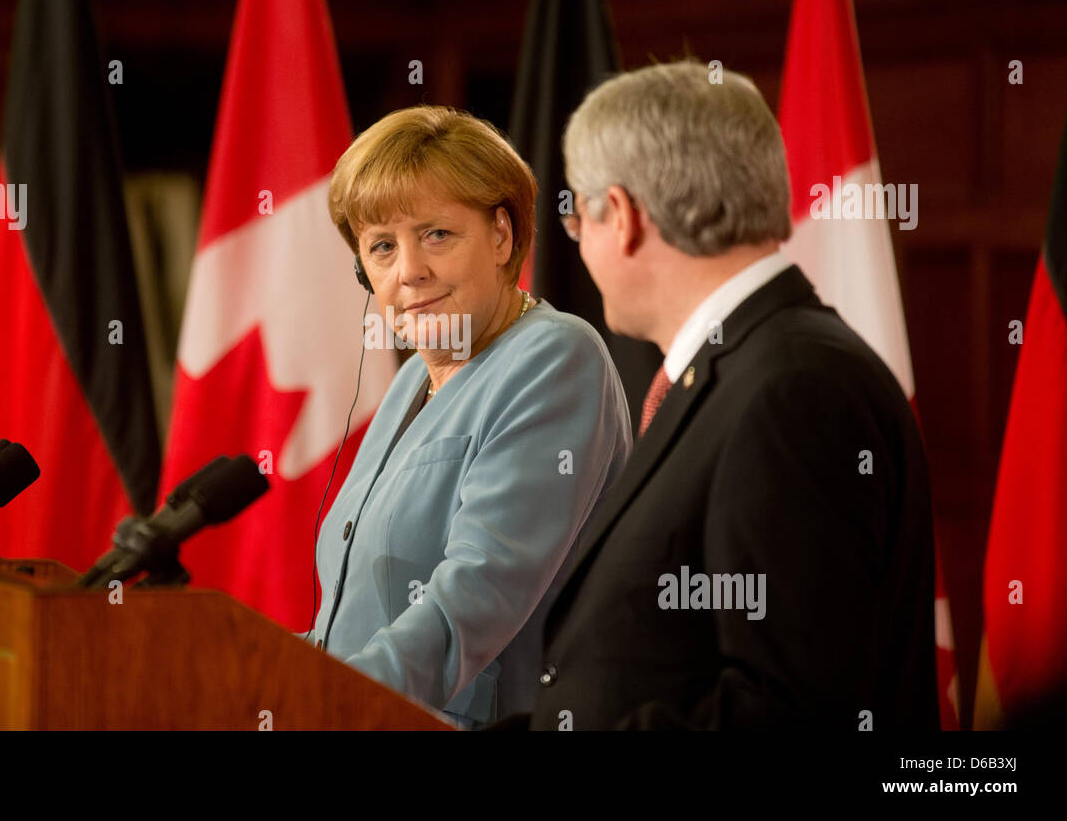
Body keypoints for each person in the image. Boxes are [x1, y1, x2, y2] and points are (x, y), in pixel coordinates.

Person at [520, 60, 937, 730]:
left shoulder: (794, 391)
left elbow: (787, 715)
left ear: (622, 217)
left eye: (578, 223)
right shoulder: (751, 367)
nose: (580, 247)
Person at [305, 105, 632, 729]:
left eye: (436, 235)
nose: (409, 272)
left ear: (503, 236)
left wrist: (320, 699)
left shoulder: (556, 357)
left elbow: (477, 595)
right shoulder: (409, 382)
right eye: (381, 247)